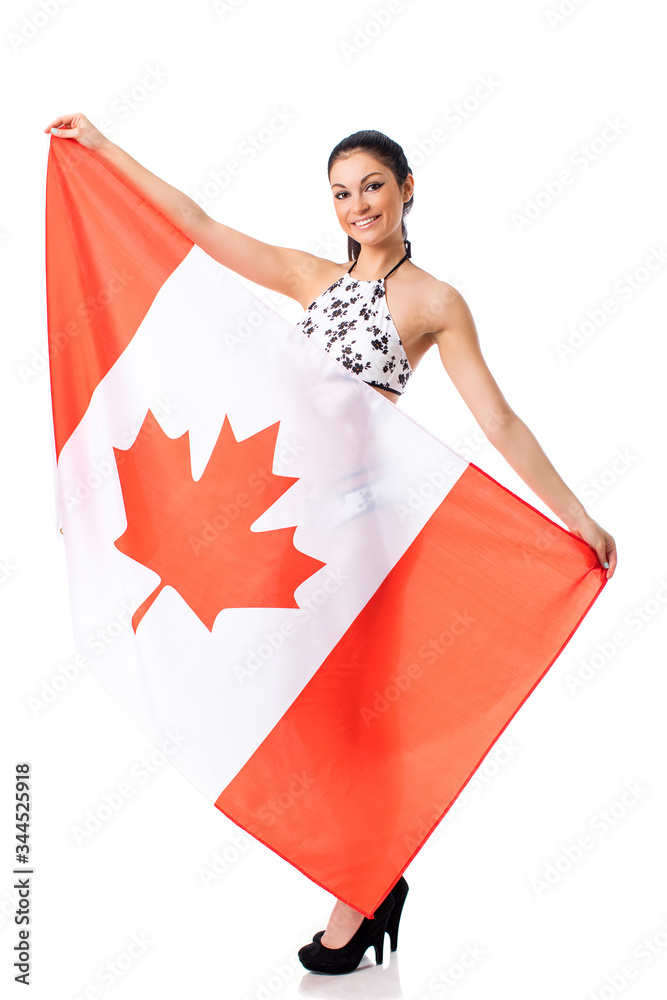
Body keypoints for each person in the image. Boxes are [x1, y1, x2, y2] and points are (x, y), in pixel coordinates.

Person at [44, 114, 618, 975]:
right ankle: (369, 872)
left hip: (356, 532)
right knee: (279, 703)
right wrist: (101, 149)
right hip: (279, 529)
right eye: (341, 193)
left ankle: (362, 891)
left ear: (406, 188)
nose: (357, 205)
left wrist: (575, 514)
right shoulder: (311, 278)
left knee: (354, 715)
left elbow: (496, 418)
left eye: (372, 187)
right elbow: (197, 225)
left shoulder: (433, 302)